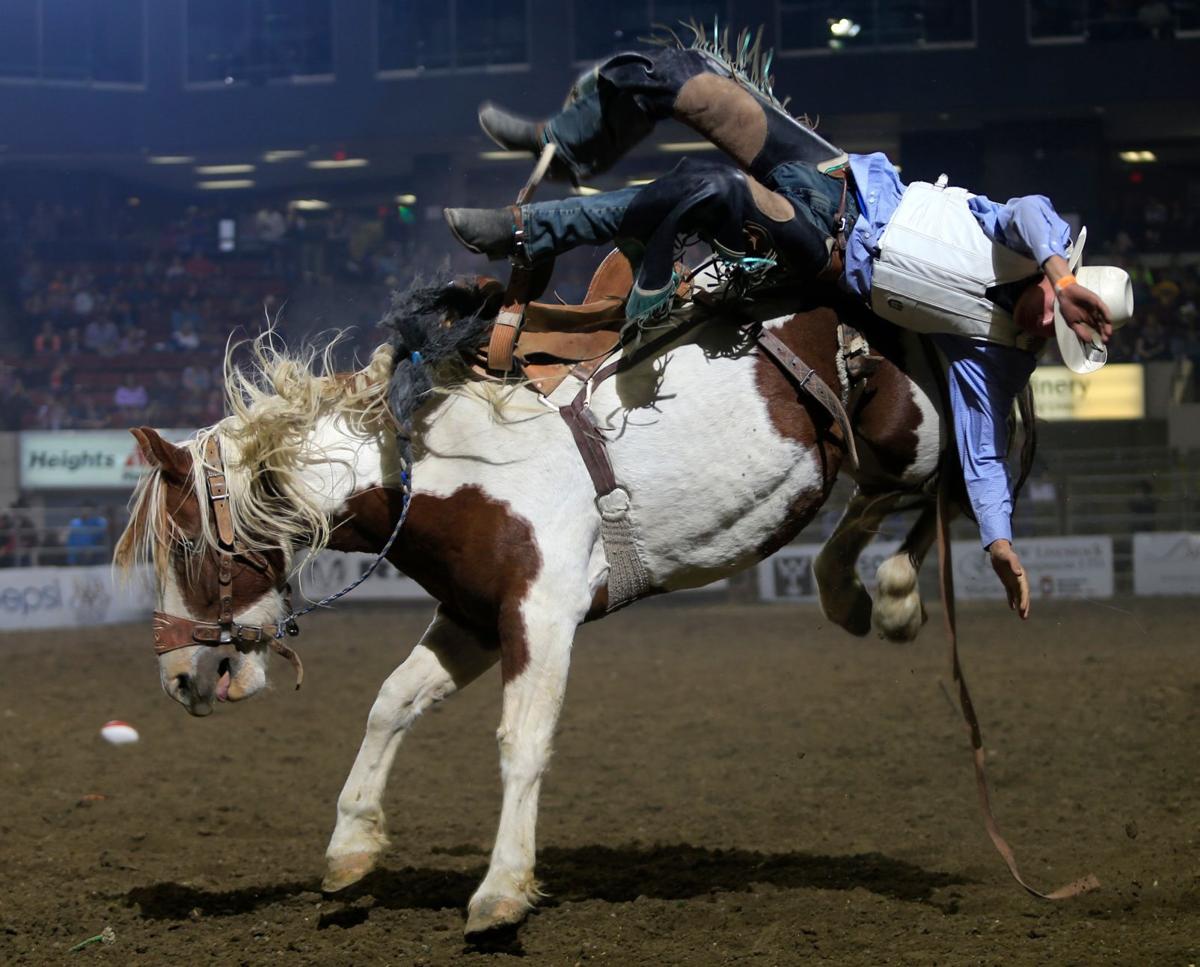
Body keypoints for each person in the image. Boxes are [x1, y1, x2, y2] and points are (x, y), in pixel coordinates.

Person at [443, 28, 1131, 618]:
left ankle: (526, 230)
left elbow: (982, 456)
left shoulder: (997, 355)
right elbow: (1034, 208)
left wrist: (1000, 544)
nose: (1048, 325)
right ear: (1058, 282)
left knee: (707, 191)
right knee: (689, 78)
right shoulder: (1028, 243)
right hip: (844, 180)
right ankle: (565, 142)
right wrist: (1062, 275)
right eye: (1058, 314)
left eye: (1057, 334)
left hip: (825, 244)